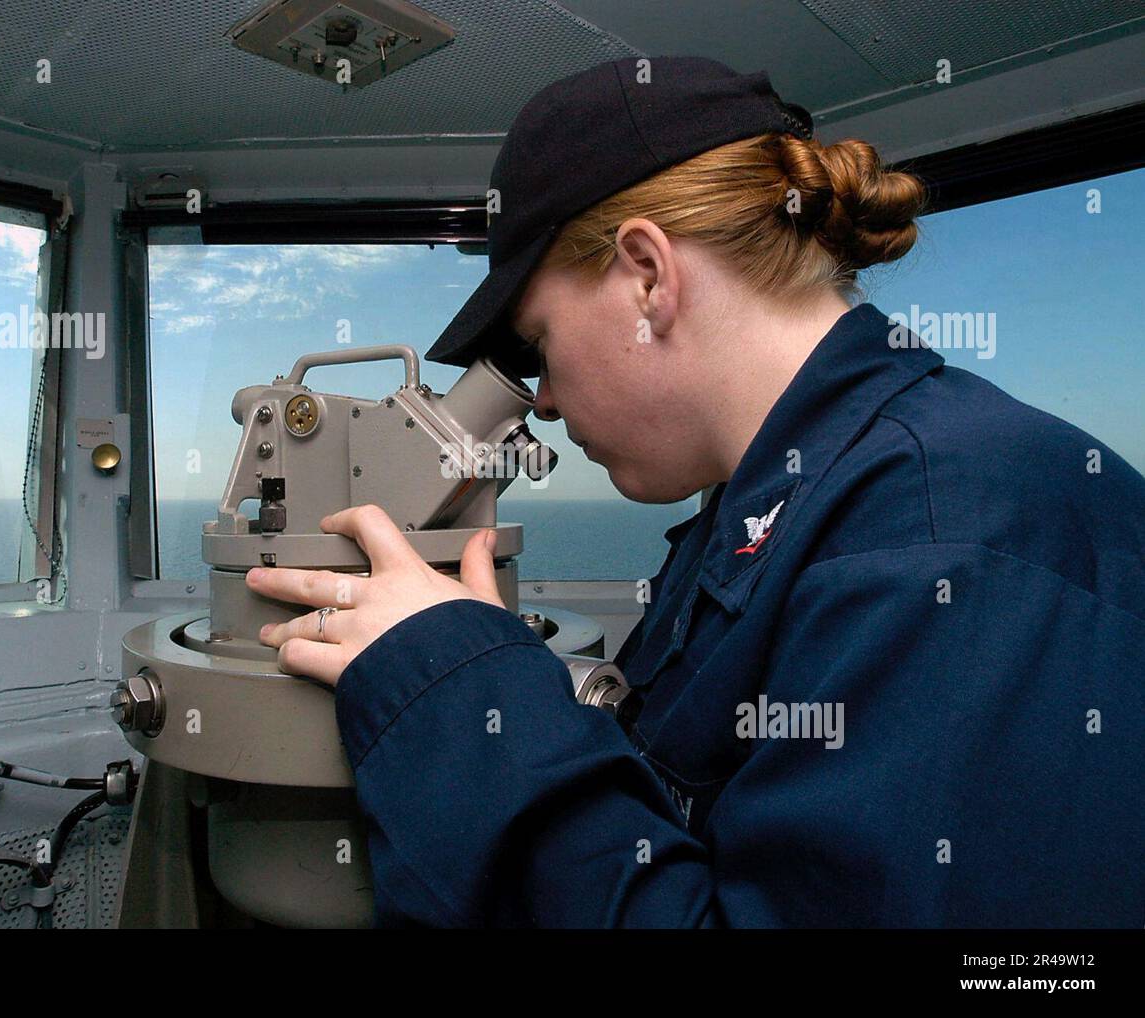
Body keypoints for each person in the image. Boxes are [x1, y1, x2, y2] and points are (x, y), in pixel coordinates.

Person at [246, 56, 1145, 927]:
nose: (546, 401)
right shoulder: (786, 508)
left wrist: (457, 689)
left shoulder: (948, 540)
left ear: (647, 278)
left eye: (539, 343)